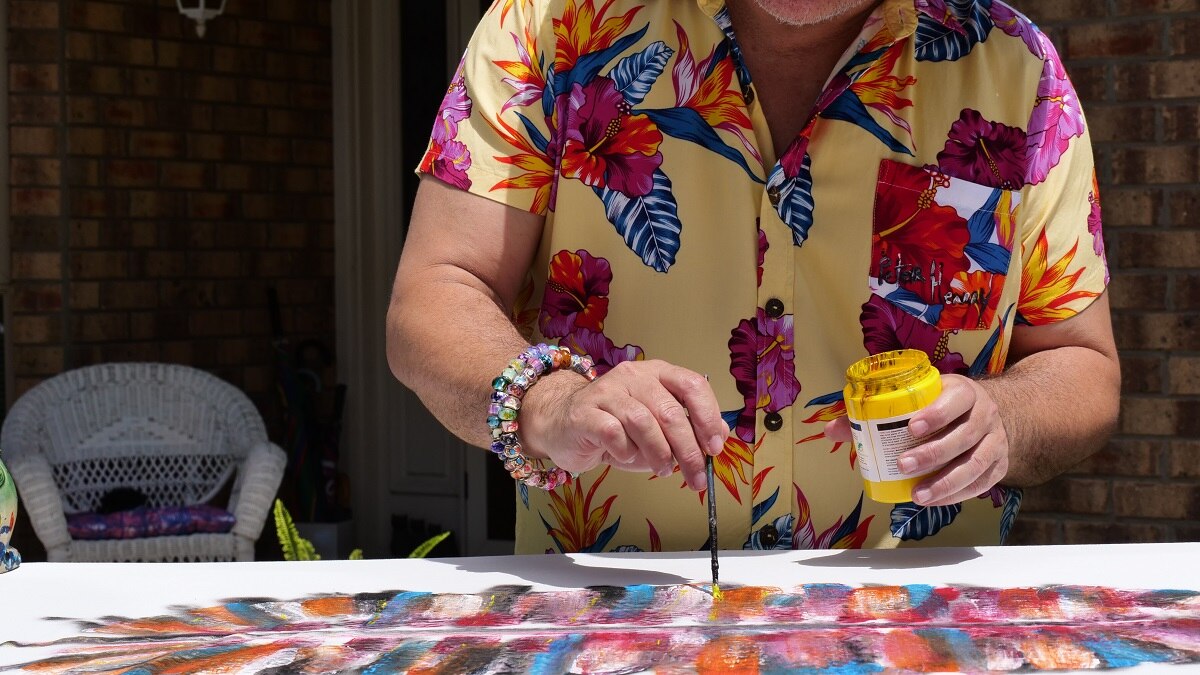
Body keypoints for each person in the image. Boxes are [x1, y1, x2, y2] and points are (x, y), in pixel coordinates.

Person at [386, 0, 1119, 554]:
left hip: (908, 627)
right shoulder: (545, 25)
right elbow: (436, 295)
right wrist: (549, 402)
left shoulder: (1016, 70)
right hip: (614, 625)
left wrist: (1003, 420)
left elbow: (1080, 364)